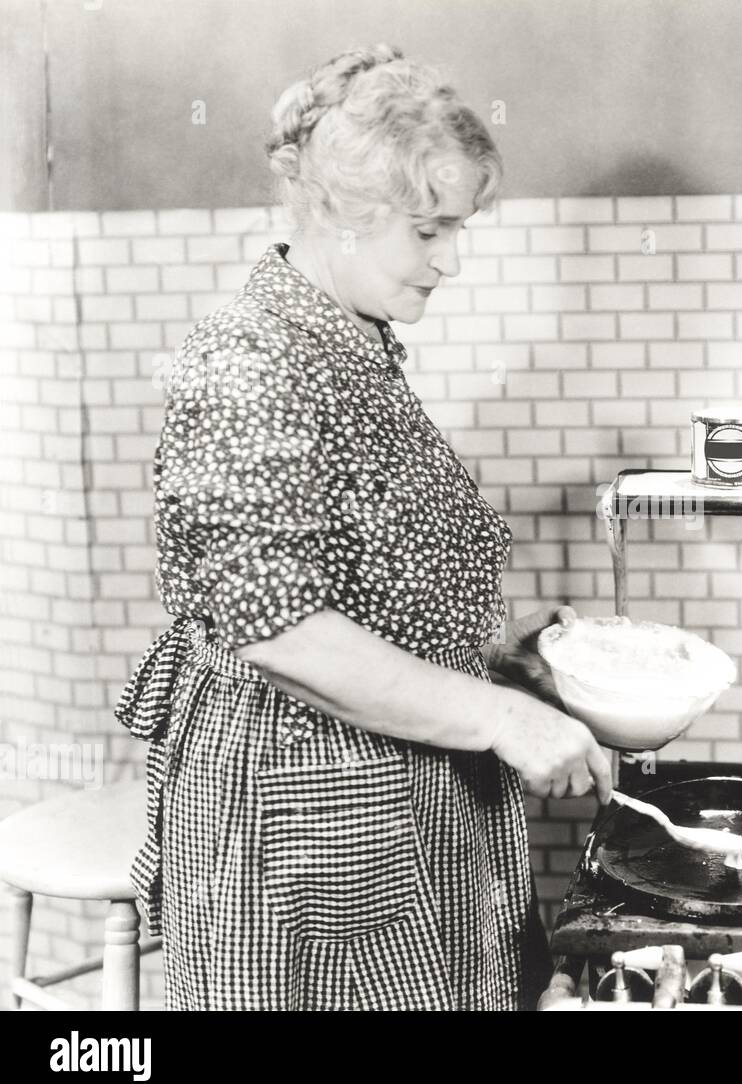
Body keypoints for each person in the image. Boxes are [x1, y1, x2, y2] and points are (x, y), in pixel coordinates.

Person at [114, 44, 611, 1011]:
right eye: (430, 229)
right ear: (340, 215)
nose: (452, 258)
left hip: (397, 797)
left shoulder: (350, 341)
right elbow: (279, 628)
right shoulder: (250, 360)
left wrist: (503, 655)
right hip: (300, 828)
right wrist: (502, 716)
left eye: (457, 227)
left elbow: (361, 569)